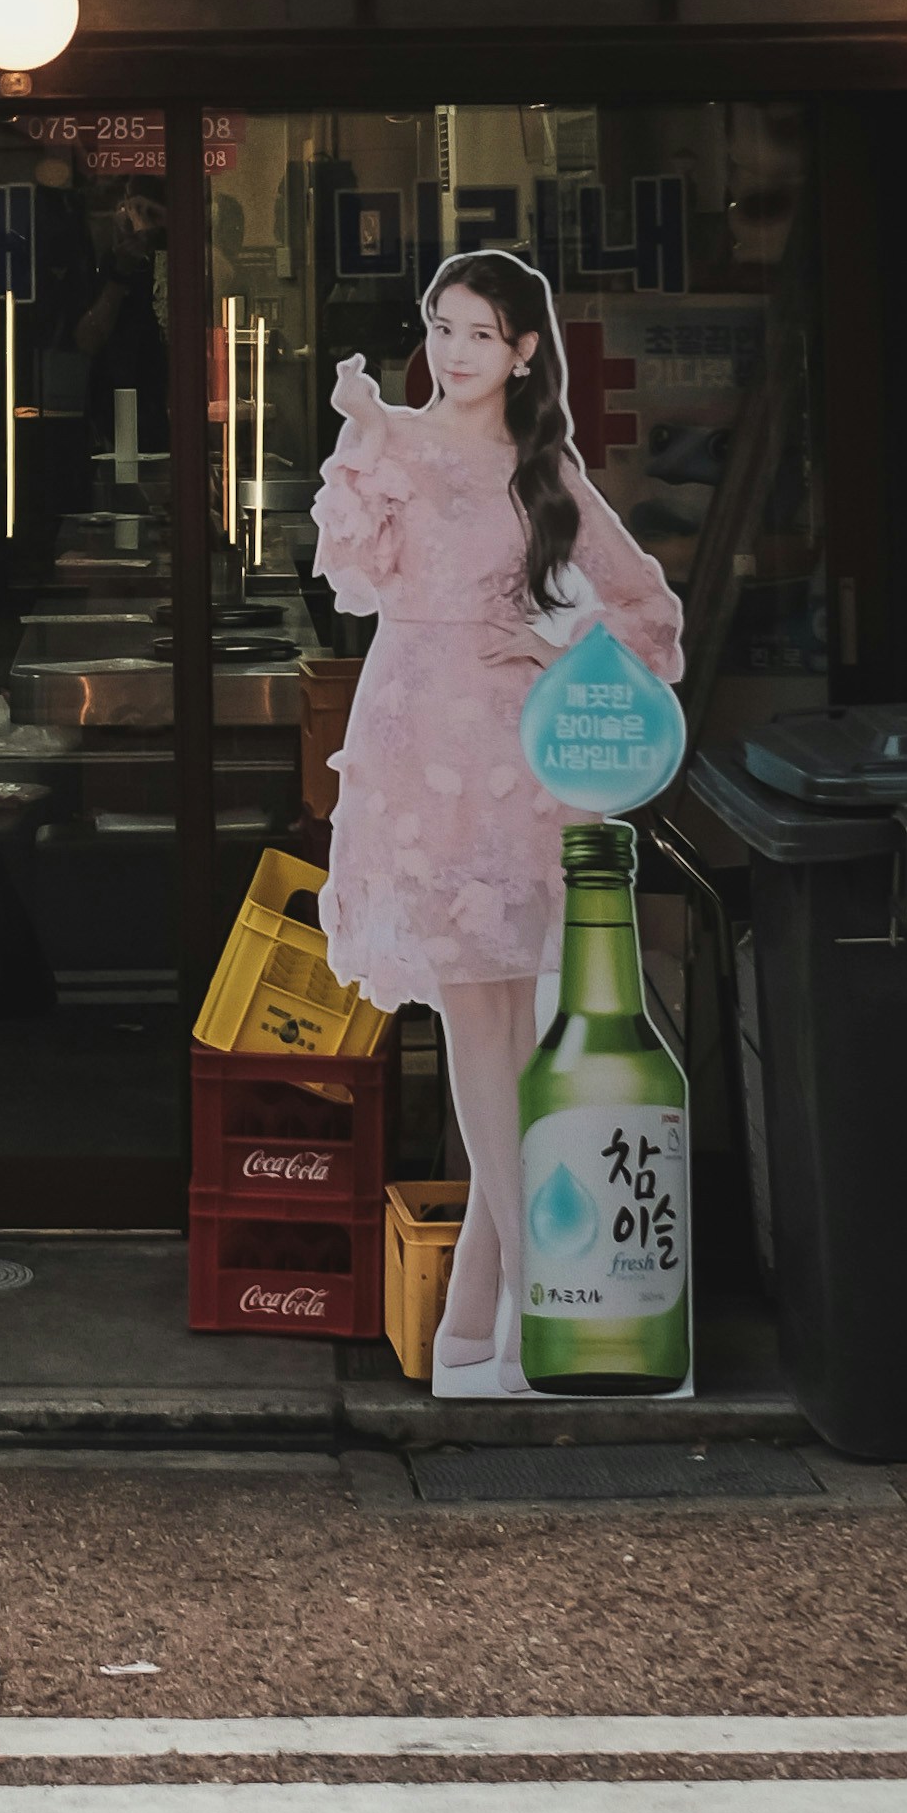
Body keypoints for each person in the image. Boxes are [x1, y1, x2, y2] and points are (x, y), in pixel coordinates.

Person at [313, 247, 687, 1392]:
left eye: (478, 331)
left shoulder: (544, 465)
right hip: (412, 748)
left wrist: (553, 644)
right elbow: (349, 578)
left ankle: (493, 1309)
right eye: (439, 325)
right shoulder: (394, 441)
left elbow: (645, 605)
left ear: (523, 351)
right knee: (485, 1029)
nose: (452, 349)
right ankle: (517, 1304)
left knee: (506, 1030)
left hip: (510, 756)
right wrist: (361, 443)